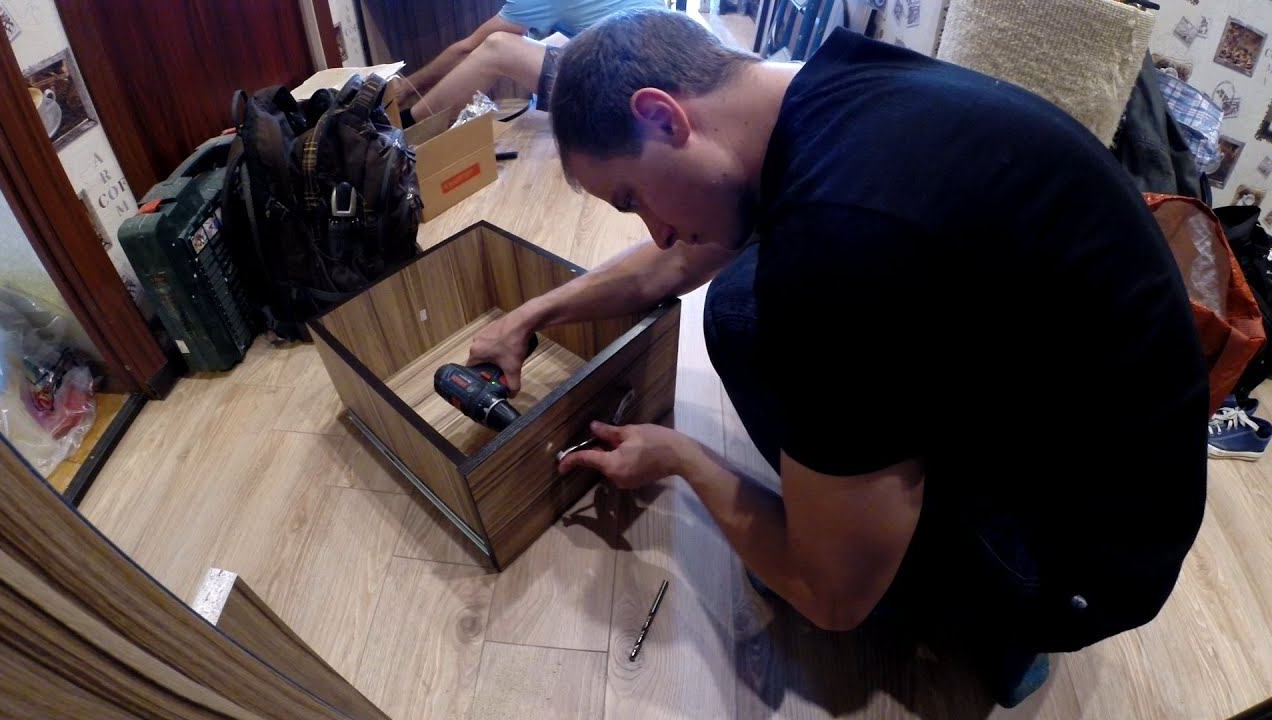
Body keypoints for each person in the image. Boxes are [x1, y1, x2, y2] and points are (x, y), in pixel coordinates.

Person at [467, 9, 1209, 707]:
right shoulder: (829, 86)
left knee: (820, 533)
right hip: (1109, 443)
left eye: (632, 198)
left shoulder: (839, 250)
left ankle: (989, 614)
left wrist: (680, 457)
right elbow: (680, 258)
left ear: (665, 116)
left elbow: (831, 600)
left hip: (1080, 565)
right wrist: (535, 314)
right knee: (739, 304)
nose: (656, 232)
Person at [398, 0, 663, 123]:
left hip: (627, 88)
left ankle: (411, 124)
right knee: (551, 42)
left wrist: (408, 87)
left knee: (497, 47)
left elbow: (468, 48)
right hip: (660, 66)